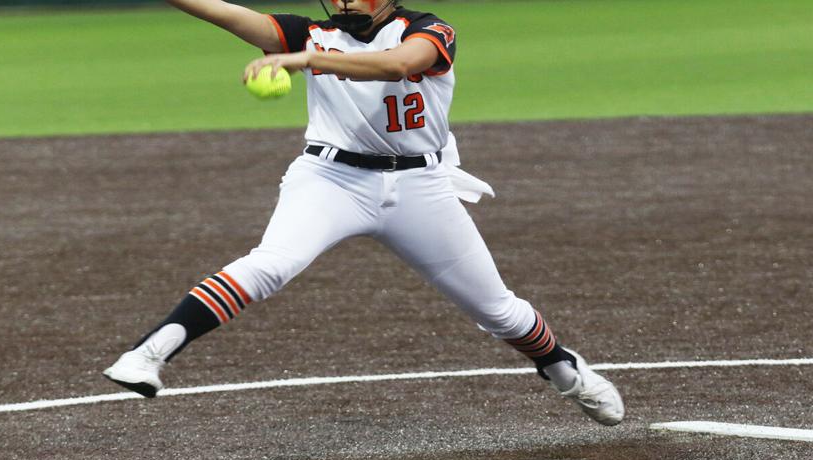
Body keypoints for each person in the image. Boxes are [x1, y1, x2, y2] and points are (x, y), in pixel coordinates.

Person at [102, 0, 624, 426]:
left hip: (420, 186)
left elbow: (399, 64)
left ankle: (563, 369)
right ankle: (148, 355)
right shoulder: (309, 33)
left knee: (498, 310)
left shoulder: (429, 29)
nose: (346, 2)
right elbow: (220, 11)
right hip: (331, 180)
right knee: (271, 264)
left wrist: (307, 61)